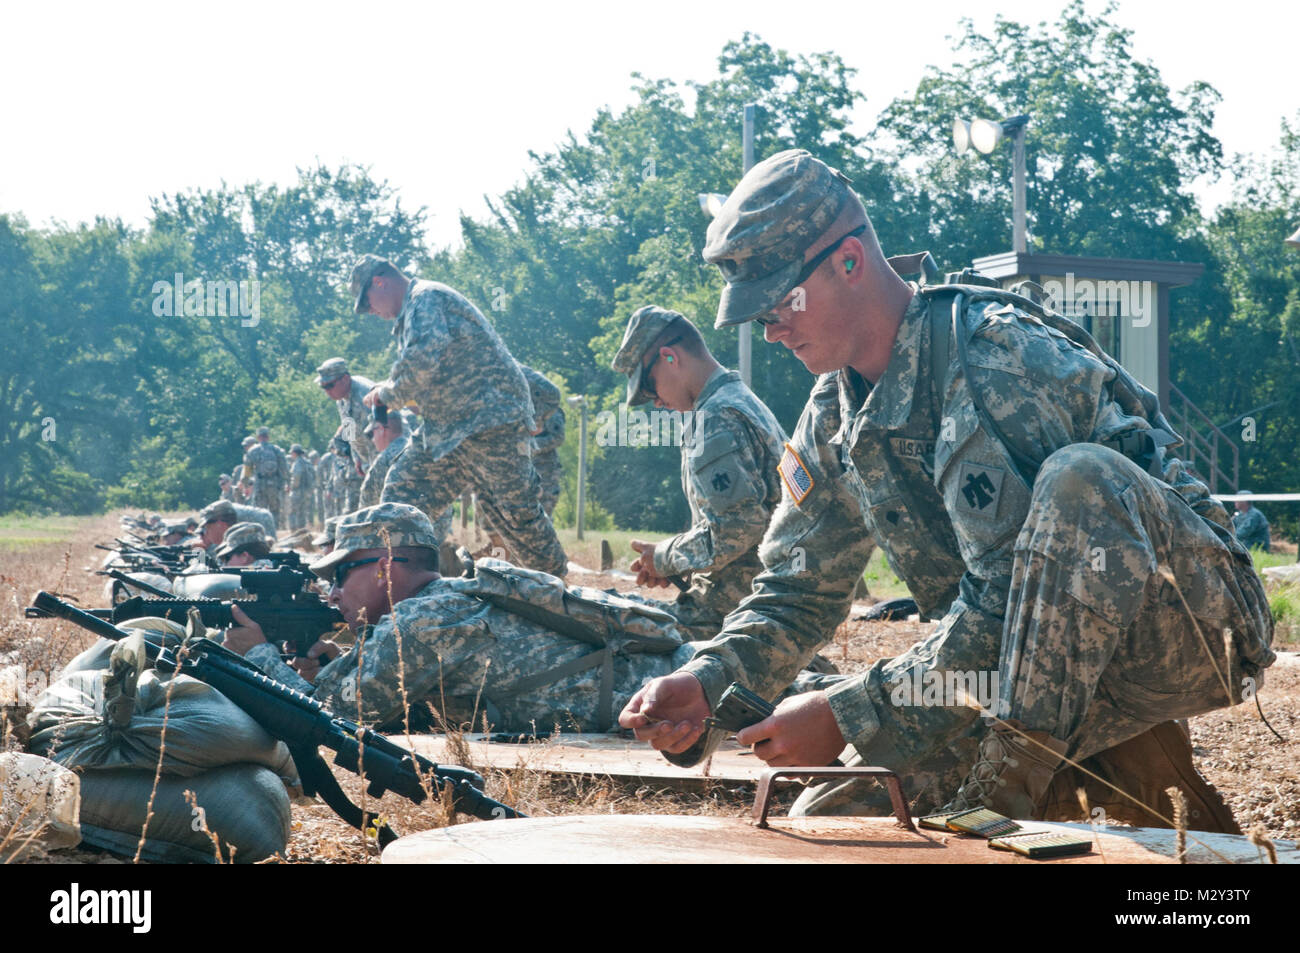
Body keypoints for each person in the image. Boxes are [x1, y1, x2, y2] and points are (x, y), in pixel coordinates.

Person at [619, 149, 1274, 824]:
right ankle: (1120, 766)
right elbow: (796, 588)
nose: (772, 326)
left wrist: (849, 713)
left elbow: (1005, 609)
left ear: (849, 261)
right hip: (1025, 667)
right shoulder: (832, 417)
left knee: (1083, 480)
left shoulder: (992, 358)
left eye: (783, 300)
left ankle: (1013, 789)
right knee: (840, 816)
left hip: (1195, 625)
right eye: (758, 315)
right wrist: (707, 679)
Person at [223, 503, 695, 733]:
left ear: (385, 566)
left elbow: (333, 720)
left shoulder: (421, 622)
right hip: (680, 682)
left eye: (341, 574)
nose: (333, 591)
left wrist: (260, 653)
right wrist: (337, 664)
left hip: (686, 698)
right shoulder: (441, 604)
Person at [348, 254, 567, 576]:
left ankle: (558, 594)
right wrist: (396, 389)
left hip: (489, 425)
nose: (371, 313)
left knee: (515, 515)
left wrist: (388, 394)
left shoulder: (426, 298)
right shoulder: (414, 310)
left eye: (367, 303)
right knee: (402, 500)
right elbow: (430, 371)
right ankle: (396, 590)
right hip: (445, 432)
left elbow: (423, 358)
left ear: (379, 282)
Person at [612, 305, 789, 642]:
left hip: (734, 615)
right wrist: (678, 562)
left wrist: (665, 557)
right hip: (758, 605)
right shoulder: (739, 400)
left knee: (614, 640)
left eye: (650, 387)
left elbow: (737, 528)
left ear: (669, 358)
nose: (657, 403)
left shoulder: (713, 419)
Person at [518, 362, 565, 515]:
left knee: (544, 512)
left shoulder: (550, 411)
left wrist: (532, 447)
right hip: (523, 468)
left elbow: (558, 437)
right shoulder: (522, 408)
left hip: (545, 469)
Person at [315, 357, 377, 473]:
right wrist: (357, 458)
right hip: (369, 460)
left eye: (329, 386)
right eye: (323, 387)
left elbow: (382, 434)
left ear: (345, 379)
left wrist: (375, 465)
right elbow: (350, 430)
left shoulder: (365, 396)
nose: (327, 391)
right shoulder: (342, 399)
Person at [358, 409, 411, 509]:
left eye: (372, 433)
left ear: (381, 429)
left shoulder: (384, 460)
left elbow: (367, 505)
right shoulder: (418, 450)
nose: (372, 439)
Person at [244, 427, 291, 528]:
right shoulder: (277, 450)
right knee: (275, 511)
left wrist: (245, 486)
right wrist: (287, 483)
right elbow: (285, 469)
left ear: (258, 437)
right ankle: (274, 532)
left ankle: (262, 533)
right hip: (275, 485)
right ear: (268, 437)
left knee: (259, 511)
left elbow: (247, 471)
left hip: (259, 485)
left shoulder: (253, 451)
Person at [198, 499, 276, 551]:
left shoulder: (259, 518)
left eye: (208, 528)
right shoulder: (221, 527)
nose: (206, 533)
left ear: (220, 524)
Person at [287, 444, 315, 532]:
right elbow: (314, 475)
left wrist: (292, 487)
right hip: (306, 492)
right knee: (302, 512)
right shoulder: (307, 462)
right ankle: (302, 531)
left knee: (292, 511)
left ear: (295, 453)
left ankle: (293, 531)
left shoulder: (297, 463)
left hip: (297, 491)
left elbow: (296, 477)